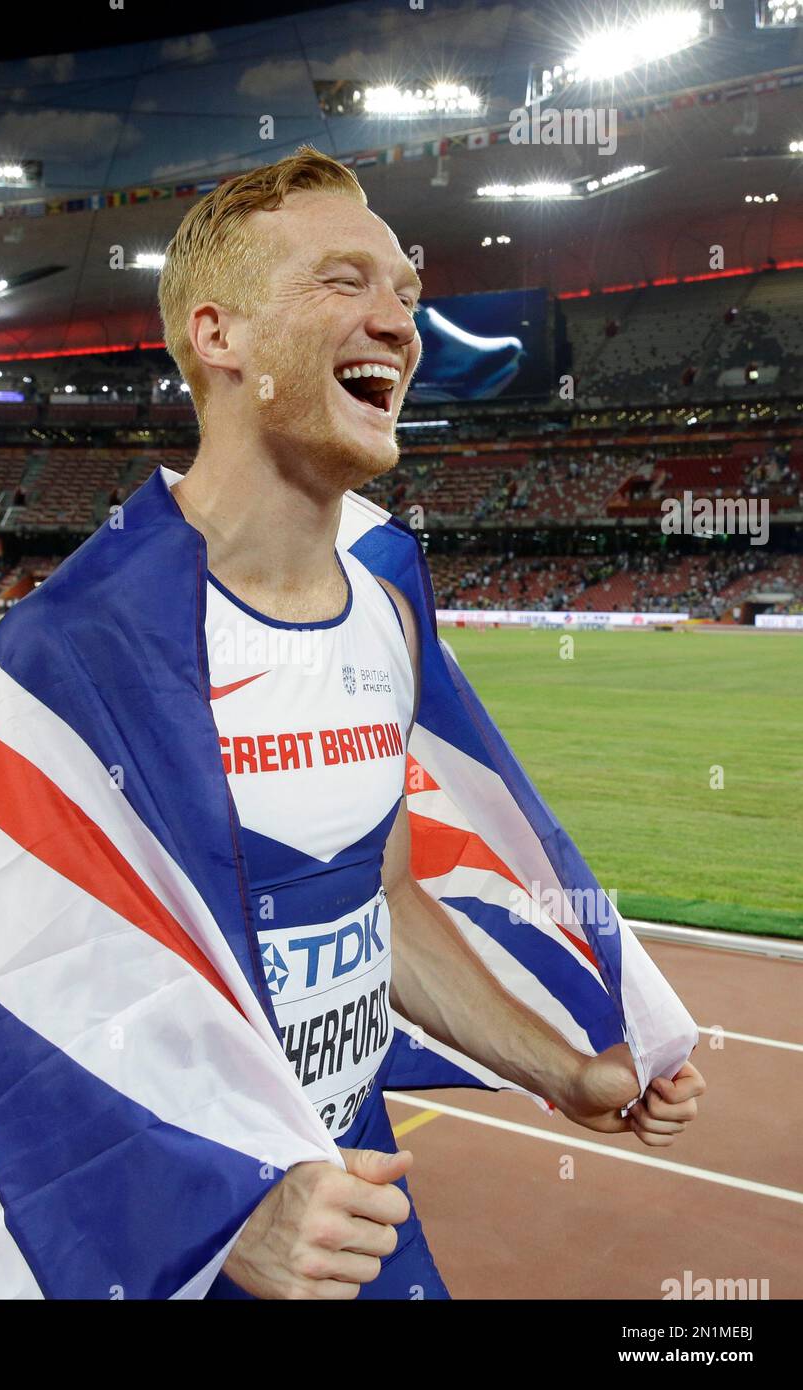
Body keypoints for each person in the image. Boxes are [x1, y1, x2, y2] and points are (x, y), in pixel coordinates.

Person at [155, 146, 705, 1299]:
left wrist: (569, 1071)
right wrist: (206, 1216)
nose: (398, 321)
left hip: (356, 1198)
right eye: (343, 282)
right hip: (174, 1245)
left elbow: (385, 896)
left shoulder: (388, 594)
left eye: (404, 291)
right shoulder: (78, 649)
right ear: (221, 335)